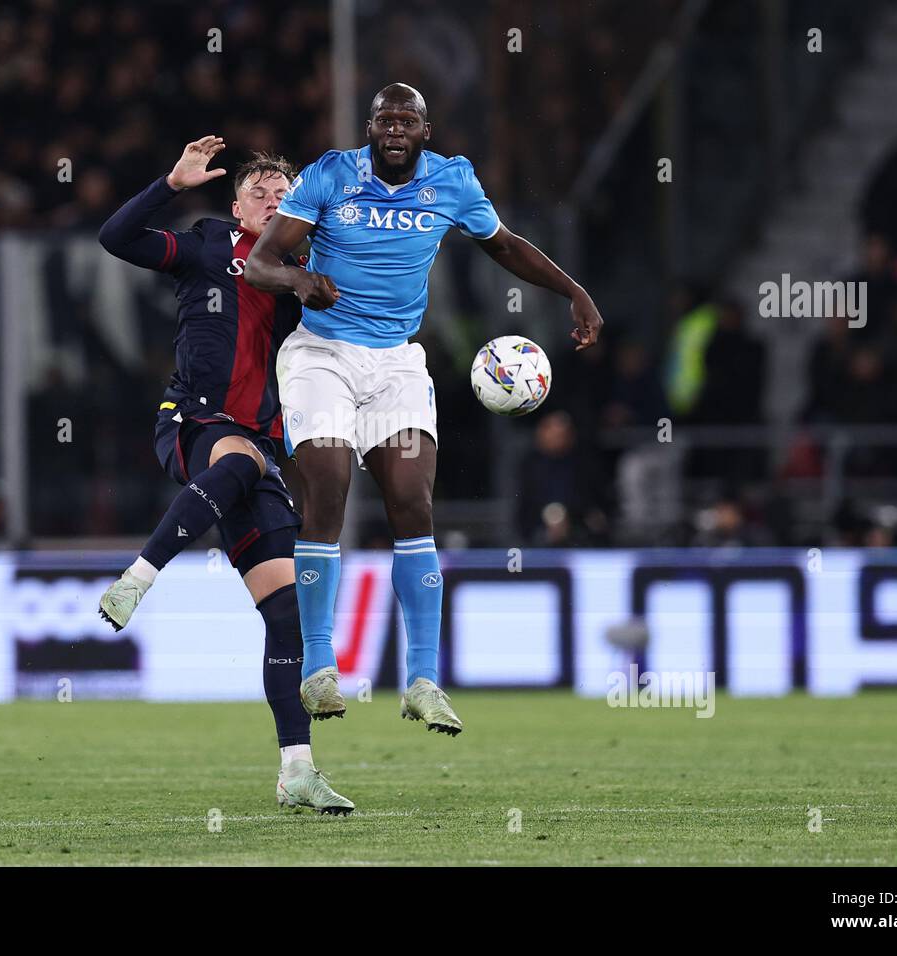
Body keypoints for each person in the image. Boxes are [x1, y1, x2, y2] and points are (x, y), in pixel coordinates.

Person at [244, 84, 603, 735]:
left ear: (425, 131)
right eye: (384, 119)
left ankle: (423, 681)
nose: (395, 129)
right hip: (322, 355)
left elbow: (504, 245)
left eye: (406, 120)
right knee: (328, 483)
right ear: (369, 128)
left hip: (397, 363)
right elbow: (261, 263)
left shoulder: (452, 182)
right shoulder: (329, 175)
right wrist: (300, 280)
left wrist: (573, 290)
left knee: (413, 501)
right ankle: (319, 666)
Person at [95, 136, 353, 814]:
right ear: (236, 209)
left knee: (287, 612)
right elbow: (116, 238)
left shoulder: (307, 274)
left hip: (260, 443)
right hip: (193, 421)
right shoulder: (209, 246)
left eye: (282, 196)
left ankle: (297, 771)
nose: (270, 202)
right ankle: (138, 576)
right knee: (236, 459)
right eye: (257, 194)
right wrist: (170, 185)